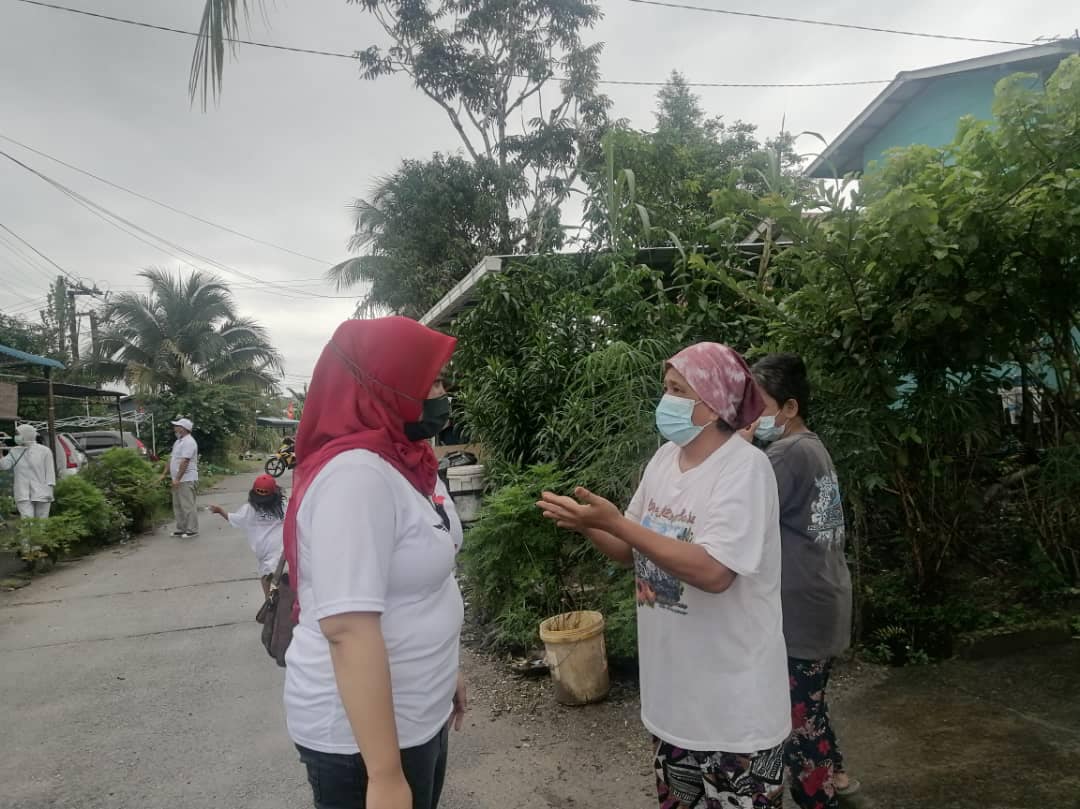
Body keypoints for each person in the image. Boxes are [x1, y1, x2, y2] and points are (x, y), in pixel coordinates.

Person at [538, 342, 791, 809]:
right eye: (666, 387)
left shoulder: (744, 469)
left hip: (734, 714)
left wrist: (618, 523)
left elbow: (715, 572)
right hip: (673, 705)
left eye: (677, 389)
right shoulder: (663, 461)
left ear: (714, 402)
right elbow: (625, 548)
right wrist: (593, 524)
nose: (665, 399)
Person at [283, 317, 466, 809]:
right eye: (430, 382)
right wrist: (384, 777)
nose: (442, 393)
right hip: (362, 745)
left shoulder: (406, 460)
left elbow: (423, 583)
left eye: (441, 380)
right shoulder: (356, 478)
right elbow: (347, 628)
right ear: (385, 386)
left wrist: (447, 671)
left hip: (416, 711)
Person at [749, 353, 857, 807]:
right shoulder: (810, 445)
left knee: (796, 718)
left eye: (760, 404)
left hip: (802, 608)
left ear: (789, 408)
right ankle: (838, 776)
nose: (751, 416)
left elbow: (743, 507)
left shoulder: (785, 454)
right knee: (808, 702)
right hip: (823, 594)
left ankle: (820, 796)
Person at [209, 473, 286, 599]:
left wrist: (220, 511)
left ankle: (268, 600)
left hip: (264, 548)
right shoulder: (281, 507)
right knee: (276, 574)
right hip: (278, 547)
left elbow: (235, 519)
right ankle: (275, 599)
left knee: (267, 575)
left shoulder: (250, 508)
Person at [0, 424, 56, 518]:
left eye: (18, 434)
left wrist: (49, 490)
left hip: (42, 492)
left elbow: (50, 473)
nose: (16, 437)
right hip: (22, 492)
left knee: (41, 522)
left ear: (26, 434)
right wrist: (0, 452)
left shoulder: (44, 451)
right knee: (27, 521)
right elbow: (3, 466)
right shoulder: (15, 451)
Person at [163, 418, 199, 538]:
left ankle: (192, 529)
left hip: (186, 478)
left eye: (177, 426)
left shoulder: (189, 442)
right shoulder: (178, 441)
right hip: (176, 479)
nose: (174, 428)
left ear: (184, 429)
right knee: (178, 505)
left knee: (187, 504)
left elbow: (185, 461)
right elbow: (172, 458)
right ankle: (182, 528)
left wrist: (177, 478)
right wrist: (164, 473)